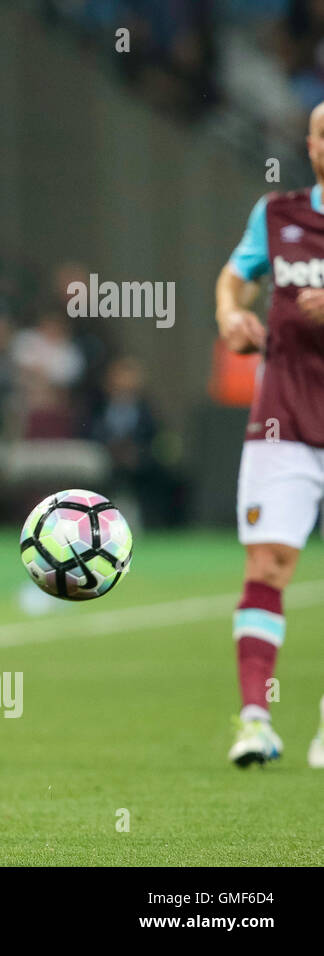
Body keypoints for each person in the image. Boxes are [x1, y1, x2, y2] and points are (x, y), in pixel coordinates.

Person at [215, 99, 324, 769]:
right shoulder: (277, 213)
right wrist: (231, 314)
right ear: (311, 142)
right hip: (283, 420)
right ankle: (255, 719)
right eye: (322, 131)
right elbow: (236, 277)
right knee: (267, 565)